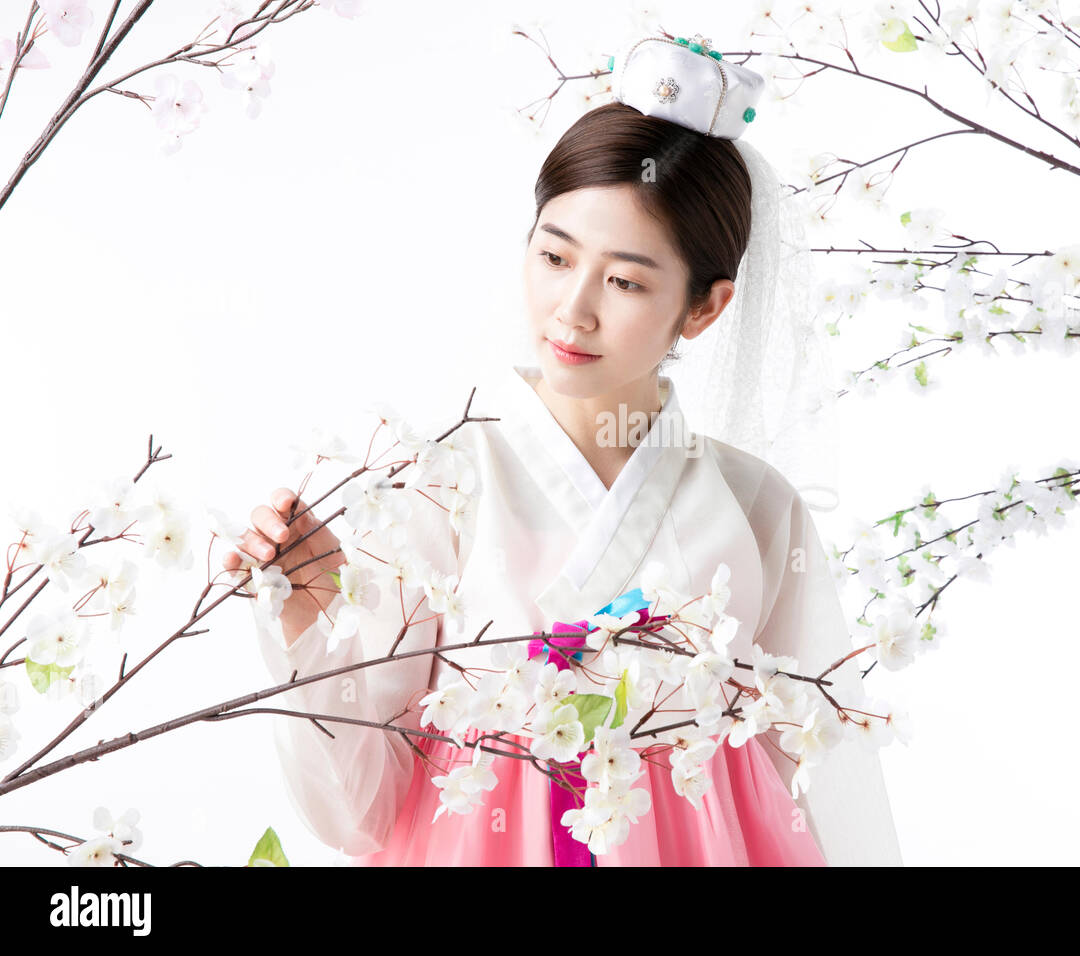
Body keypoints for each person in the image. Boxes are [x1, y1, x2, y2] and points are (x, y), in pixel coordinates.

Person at [223, 33, 903, 867]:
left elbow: (809, 772)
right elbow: (358, 815)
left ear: (704, 307)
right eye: (553, 255)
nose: (571, 311)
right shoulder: (437, 483)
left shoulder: (757, 506)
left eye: (625, 281)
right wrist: (312, 617)